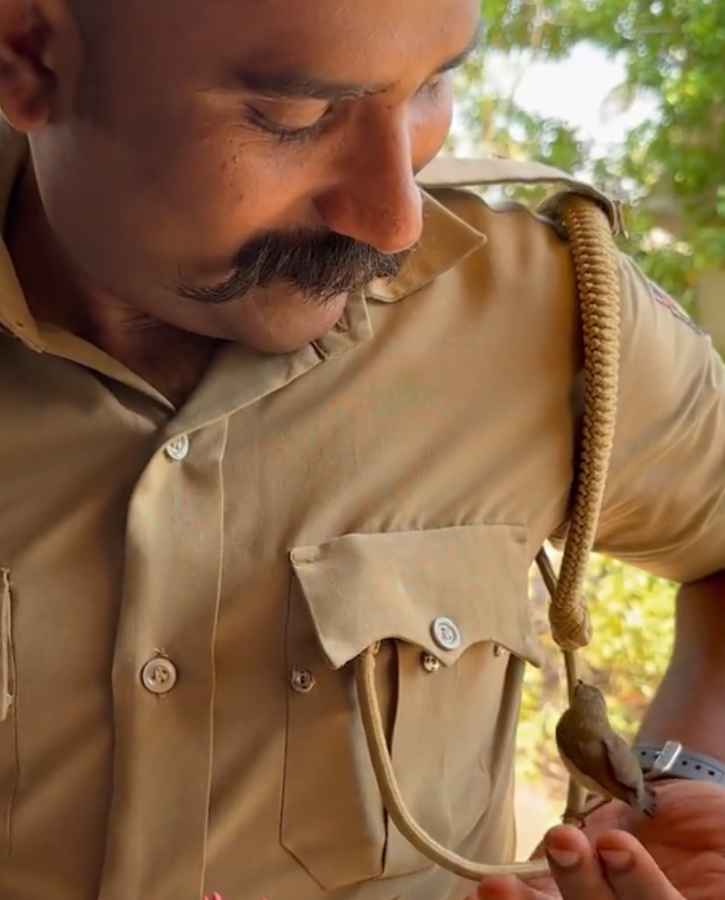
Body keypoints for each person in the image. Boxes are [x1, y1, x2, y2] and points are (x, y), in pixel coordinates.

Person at [0, 0, 723, 899]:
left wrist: (675, 780)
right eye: (295, 117)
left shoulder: (553, 314)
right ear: (30, 57)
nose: (397, 222)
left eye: (432, 85)